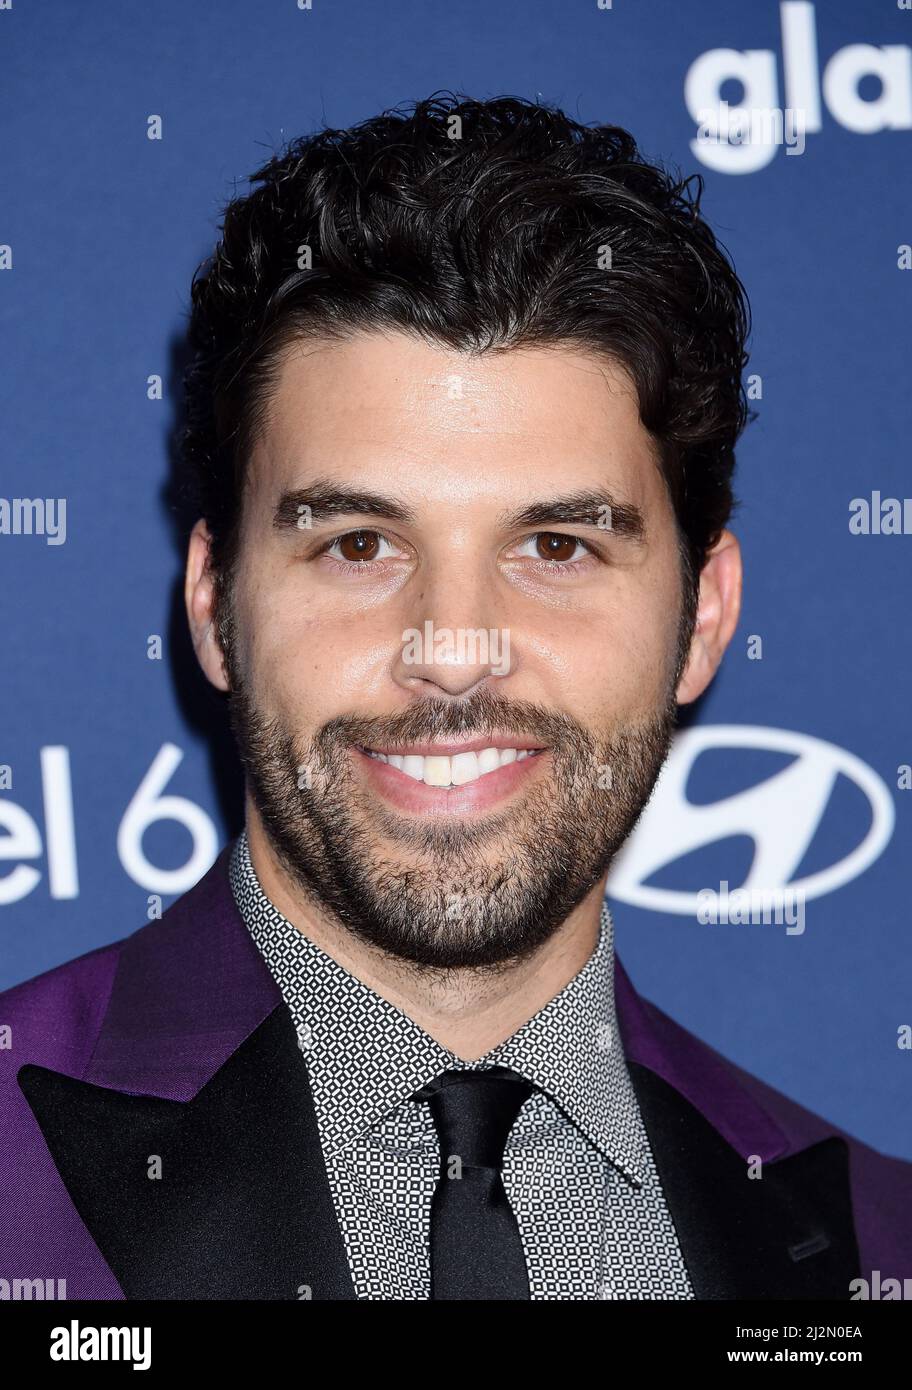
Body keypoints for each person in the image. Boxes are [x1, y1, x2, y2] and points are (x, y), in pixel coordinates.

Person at [1, 93, 909, 1302]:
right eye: (360, 545)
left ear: (702, 616)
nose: (455, 646)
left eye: (558, 547)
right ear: (215, 603)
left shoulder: (878, 1243)